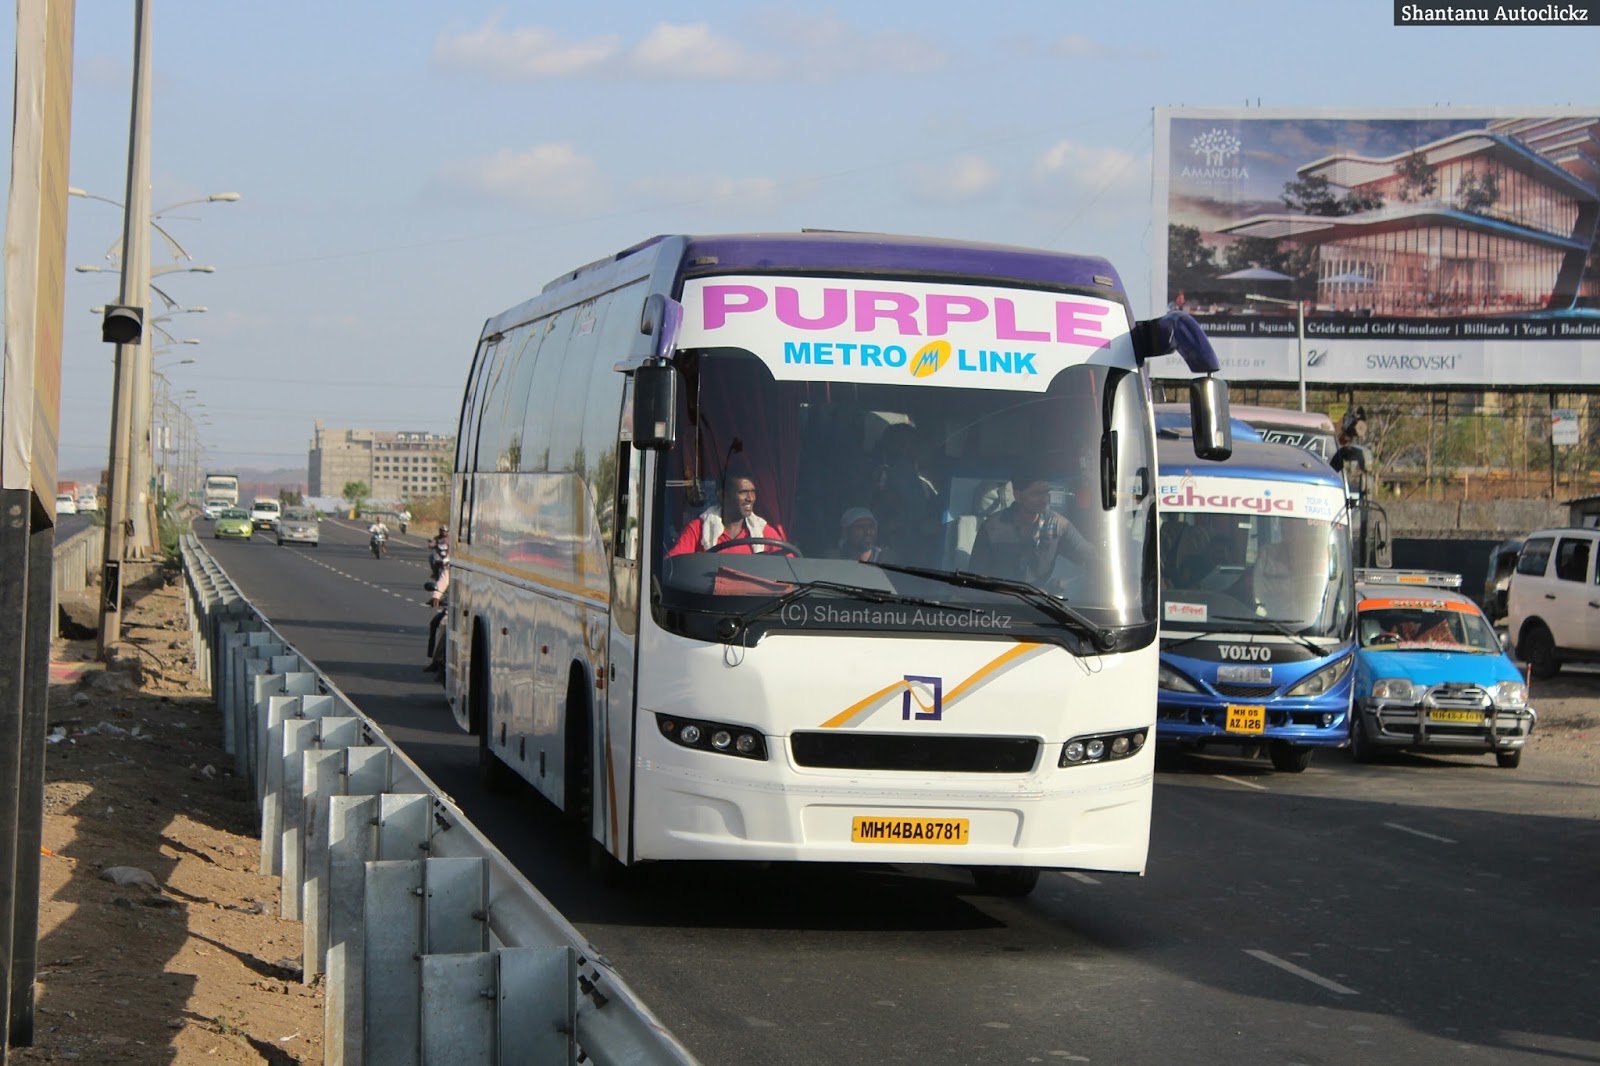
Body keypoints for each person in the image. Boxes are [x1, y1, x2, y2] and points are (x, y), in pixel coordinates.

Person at [968, 465, 1090, 588]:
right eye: (1037, 493)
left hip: (1041, 599)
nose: (1044, 499)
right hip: (997, 597)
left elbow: (1089, 556)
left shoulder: (1057, 525)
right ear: (1017, 496)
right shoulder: (991, 529)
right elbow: (976, 582)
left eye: (1046, 492)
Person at [668, 463, 788, 556]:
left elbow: (788, 569)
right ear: (722, 496)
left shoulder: (763, 533)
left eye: (753, 492)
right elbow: (673, 566)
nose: (750, 498)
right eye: (743, 492)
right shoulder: (699, 529)